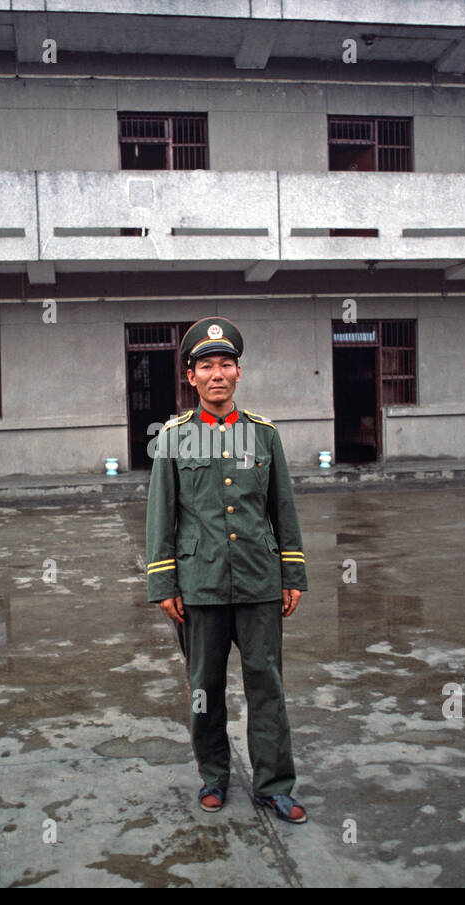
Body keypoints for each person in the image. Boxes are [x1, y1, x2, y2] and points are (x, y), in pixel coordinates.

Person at [144, 315, 309, 824]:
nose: (217, 374)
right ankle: (214, 775)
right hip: (200, 586)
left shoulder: (264, 436)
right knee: (204, 689)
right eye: (206, 366)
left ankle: (274, 784)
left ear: (239, 373)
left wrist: (292, 574)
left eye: (226, 364)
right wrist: (164, 583)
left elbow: (282, 506)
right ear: (190, 377)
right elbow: (161, 514)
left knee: (267, 685)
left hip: (259, 581)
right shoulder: (173, 437)